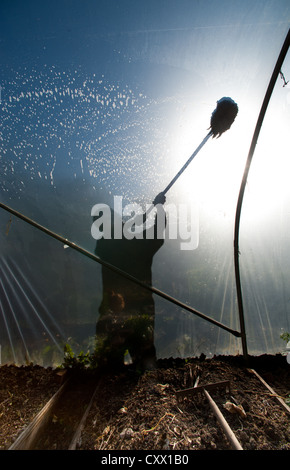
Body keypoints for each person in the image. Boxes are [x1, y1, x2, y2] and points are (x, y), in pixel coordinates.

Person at [94, 193, 166, 371]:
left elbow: (155, 234)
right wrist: (158, 208)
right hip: (139, 313)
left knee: (109, 367)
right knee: (143, 363)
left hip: (115, 313)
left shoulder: (106, 248)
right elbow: (157, 233)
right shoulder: (136, 245)